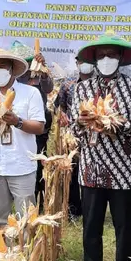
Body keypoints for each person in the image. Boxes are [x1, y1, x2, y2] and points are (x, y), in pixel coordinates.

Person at [71, 35, 131, 261]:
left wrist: (115, 124)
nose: (107, 59)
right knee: (91, 227)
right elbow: (74, 129)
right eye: (102, 54)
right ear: (94, 59)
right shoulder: (82, 89)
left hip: (123, 168)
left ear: (121, 58)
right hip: (91, 166)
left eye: (112, 54)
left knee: (124, 227)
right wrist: (84, 123)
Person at [0, 48, 45, 226]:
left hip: (22, 165)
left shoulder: (30, 93)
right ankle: (2, 244)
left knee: (26, 219)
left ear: (12, 68)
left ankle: (24, 244)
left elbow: (39, 127)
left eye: (2, 66)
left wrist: (17, 121)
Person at [55, 54, 94, 218]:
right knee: (72, 168)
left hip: (94, 133)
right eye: (82, 61)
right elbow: (59, 106)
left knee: (90, 170)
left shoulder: (100, 83)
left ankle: (90, 208)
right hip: (73, 134)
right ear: (77, 63)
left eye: (88, 61)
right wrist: (62, 115)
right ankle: (73, 208)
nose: (85, 64)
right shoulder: (68, 83)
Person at [17, 49, 54, 207]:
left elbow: (48, 88)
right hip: (19, 125)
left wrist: (43, 71)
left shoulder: (39, 75)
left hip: (39, 124)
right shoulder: (15, 78)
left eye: (29, 62)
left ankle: (39, 197)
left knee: (38, 159)